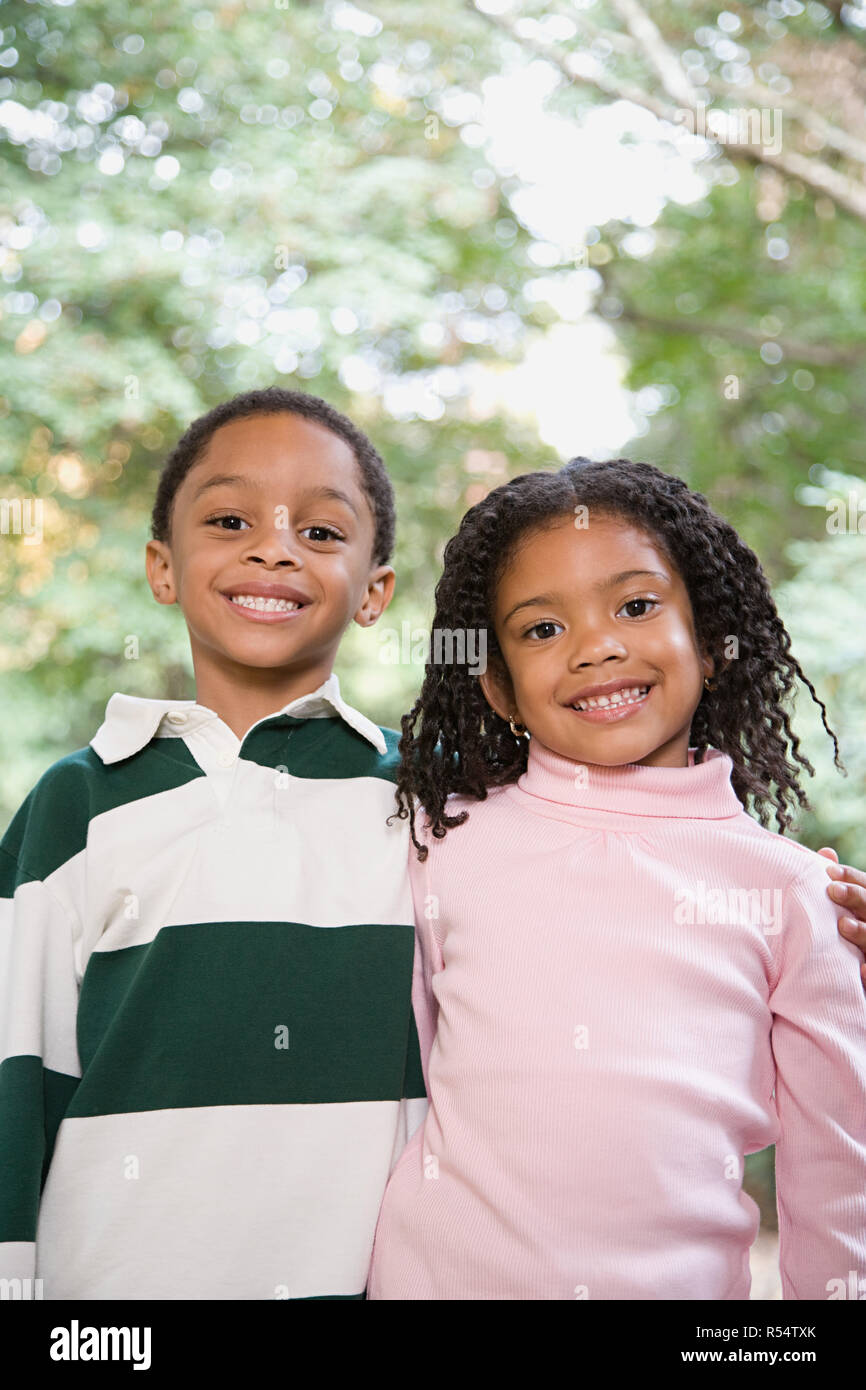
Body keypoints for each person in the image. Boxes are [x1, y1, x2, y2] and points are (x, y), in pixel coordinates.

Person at [367, 456, 866, 1300]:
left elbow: (839, 1191)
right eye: (542, 629)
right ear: (499, 688)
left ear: (710, 641)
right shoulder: (438, 845)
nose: (597, 646)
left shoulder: (795, 896)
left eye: (636, 607)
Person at [0, 387, 426, 1299]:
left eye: (321, 531)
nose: (274, 548)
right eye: (232, 521)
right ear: (163, 567)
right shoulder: (76, 805)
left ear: (374, 591)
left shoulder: (431, 806)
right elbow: (14, 1084)